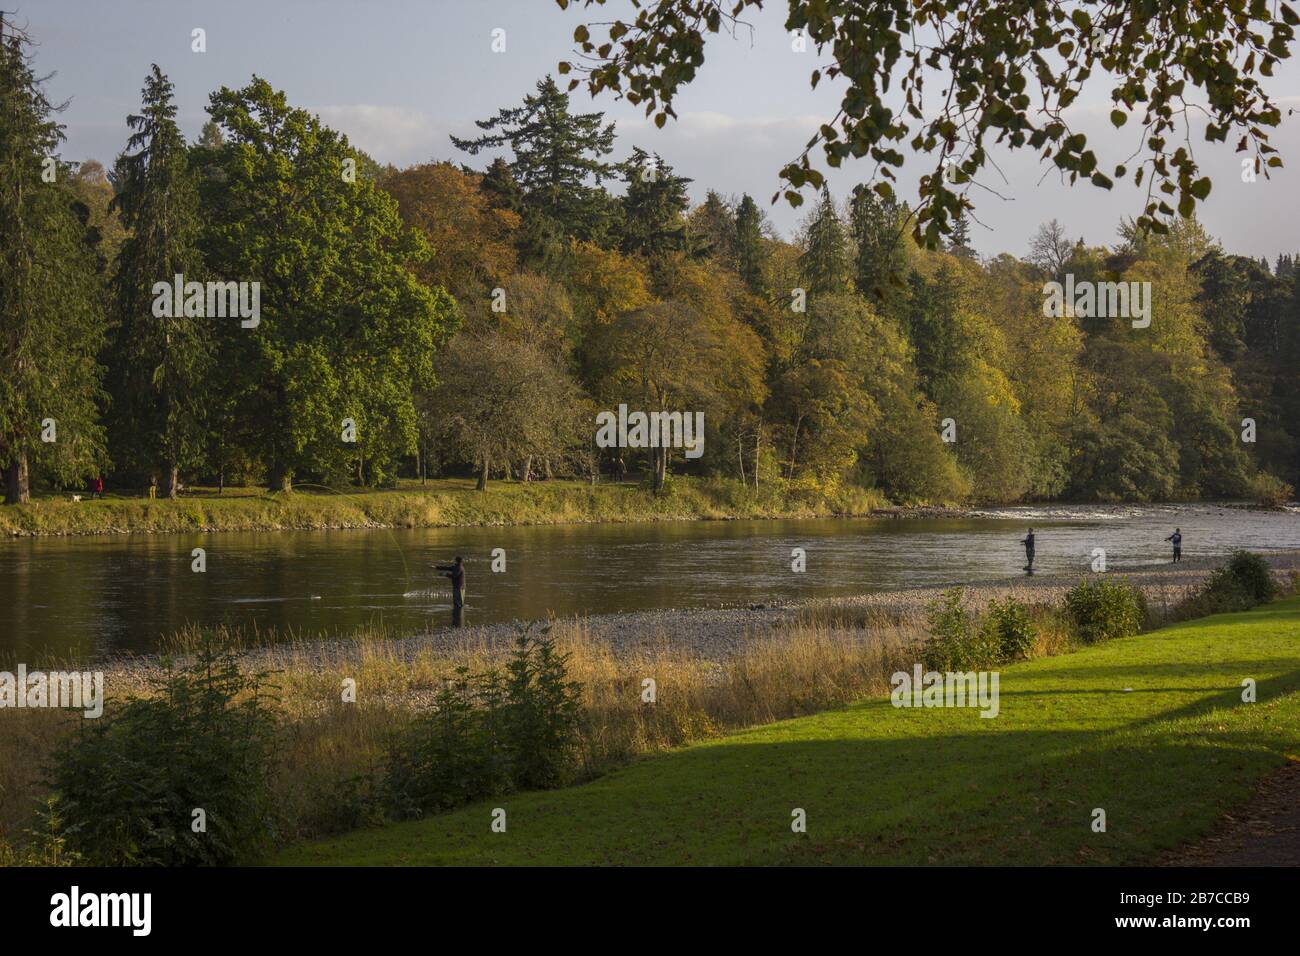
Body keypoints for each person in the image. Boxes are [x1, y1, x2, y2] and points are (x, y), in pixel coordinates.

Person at [435, 556, 466, 625]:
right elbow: (446, 568)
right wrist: (436, 567)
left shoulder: (460, 568)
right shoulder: (455, 567)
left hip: (460, 587)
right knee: (455, 602)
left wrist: (445, 574)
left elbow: (454, 576)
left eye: (454, 560)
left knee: (460, 603)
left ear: (457, 561)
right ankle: (456, 617)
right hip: (455, 586)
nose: (453, 561)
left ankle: (459, 618)